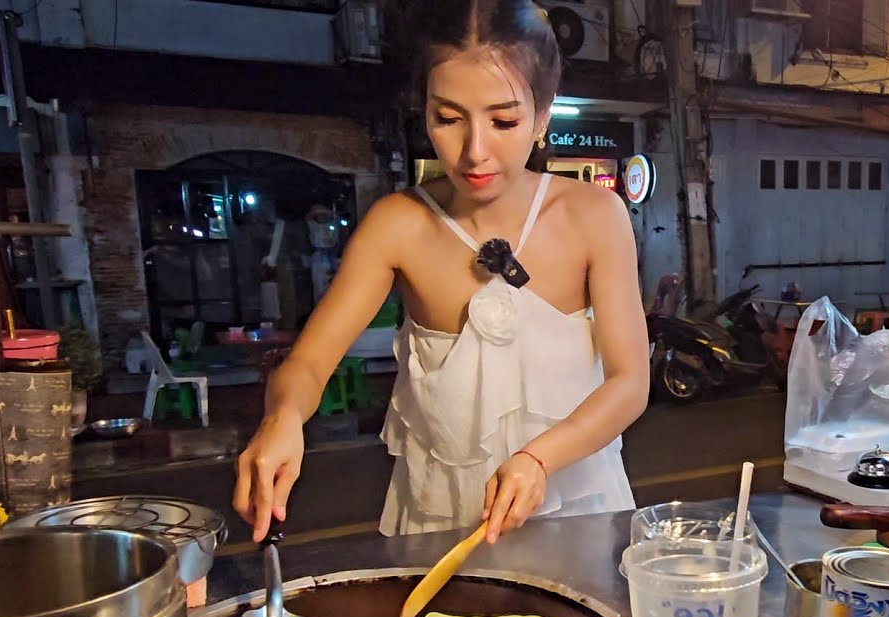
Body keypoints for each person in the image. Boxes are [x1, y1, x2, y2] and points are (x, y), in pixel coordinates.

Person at [232, 0, 647, 544]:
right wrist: (282, 418)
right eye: (448, 119)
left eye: (504, 120)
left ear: (544, 115)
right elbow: (308, 364)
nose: (475, 151)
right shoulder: (398, 225)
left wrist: (540, 459)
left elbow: (630, 382)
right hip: (438, 519)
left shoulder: (593, 216)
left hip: (580, 509)